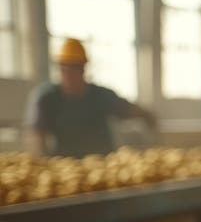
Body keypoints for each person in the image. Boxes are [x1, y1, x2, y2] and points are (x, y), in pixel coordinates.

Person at [25, 38, 156, 158]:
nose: (69, 73)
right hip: (67, 167)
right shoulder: (47, 98)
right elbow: (37, 139)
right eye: (65, 68)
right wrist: (44, 162)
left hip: (104, 164)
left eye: (74, 67)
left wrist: (149, 120)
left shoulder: (101, 96)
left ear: (83, 68)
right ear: (59, 68)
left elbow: (133, 111)